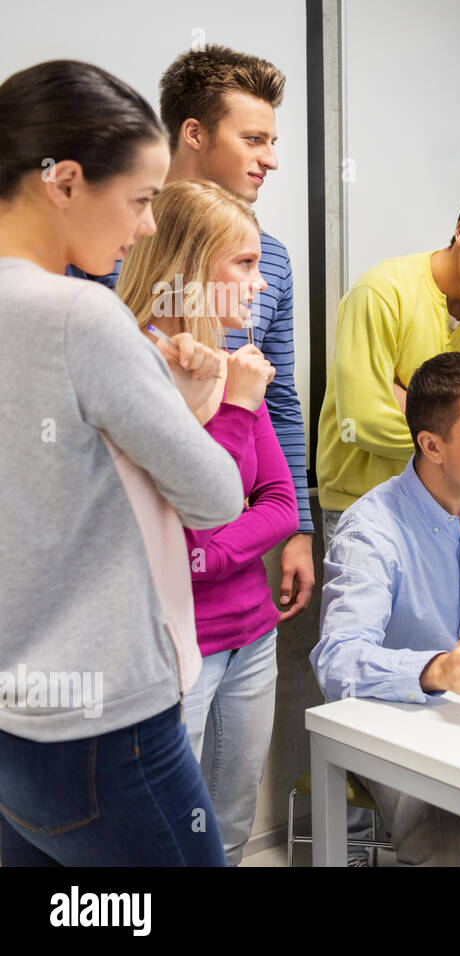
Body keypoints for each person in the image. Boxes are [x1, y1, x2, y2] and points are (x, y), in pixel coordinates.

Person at [0, 59, 243, 866]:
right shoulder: (82, 315)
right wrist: (207, 405)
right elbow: (214, 496)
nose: (145, 227)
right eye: (140, 200)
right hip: (107, 726)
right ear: (64, 181)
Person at [68, 44, 316, 621]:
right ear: (195, 133)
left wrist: (299, 524)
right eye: (253, 139)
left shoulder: (270, 260)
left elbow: (275, 399)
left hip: (231, 564)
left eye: (272, 141)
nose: (271, 158)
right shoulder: (104, 244)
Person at [118, 179, 296, 866]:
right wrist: (238, 410)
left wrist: (210, 557)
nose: (261, 284)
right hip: (170, 653)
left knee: (228, 831)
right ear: (189, 267)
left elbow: (278, 505)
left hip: (251, 634)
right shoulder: (135, 368)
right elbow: (204, 512)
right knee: (163, 847)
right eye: (244, 265)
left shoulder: (232, 371)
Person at [312, 352, 460, 866]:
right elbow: (337, 662)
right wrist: (437, 669)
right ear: (432, 445)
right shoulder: (370, 531)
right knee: (447, 843)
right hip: (395, 719)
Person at [316, 176, 460, 547]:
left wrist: (415, 404)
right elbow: (362, 422)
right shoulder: (380, 292)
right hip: (365, 503)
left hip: (455, 508)